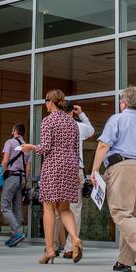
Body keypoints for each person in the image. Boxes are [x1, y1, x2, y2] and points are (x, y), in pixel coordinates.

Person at [90, 86, 136, 272]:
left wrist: (95, 170)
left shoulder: (117, 119)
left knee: (121, 213)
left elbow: (104, 145)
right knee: (133, 217)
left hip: (124, 167)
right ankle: (124, 261)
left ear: (123, 103)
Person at [21, 90, 82, 263]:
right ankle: (75, 238)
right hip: (70, 166)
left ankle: (50, 250)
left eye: (46, 101)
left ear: (50, 102)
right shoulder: (72, 123)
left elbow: (45, 148)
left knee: (48, 207)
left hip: (54, 166)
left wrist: (31, 147)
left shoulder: (48, 121)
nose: (45, 104)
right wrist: (76, 171)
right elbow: (76, 149)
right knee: (65, 208)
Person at [53, 104, 94, 257]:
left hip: (57, 169)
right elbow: (91, 130)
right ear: (71, 112)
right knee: (74, 209)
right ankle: (70, 247)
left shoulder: (54, 125)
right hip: (76, 168)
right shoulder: (78, 126)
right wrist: (81, 113)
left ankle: (53, 246)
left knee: (56, 209)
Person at [0, 123, 29, 247]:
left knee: (5, 206)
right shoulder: (27, 147)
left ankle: (17, 232)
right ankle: (14, 236)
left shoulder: (10, 142)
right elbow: (28, 168)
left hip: (11, 177)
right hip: (22, 178)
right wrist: (25, 182)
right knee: (17, 208)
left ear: (14, 131)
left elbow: (5, 160)